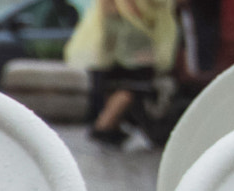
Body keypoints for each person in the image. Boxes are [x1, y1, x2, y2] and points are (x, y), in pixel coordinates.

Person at [67, 0, 181, 143]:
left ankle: (109, 125)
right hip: (129, 43)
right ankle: (105, 126)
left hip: (118, 43)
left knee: (121, 86)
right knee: (130, 87)